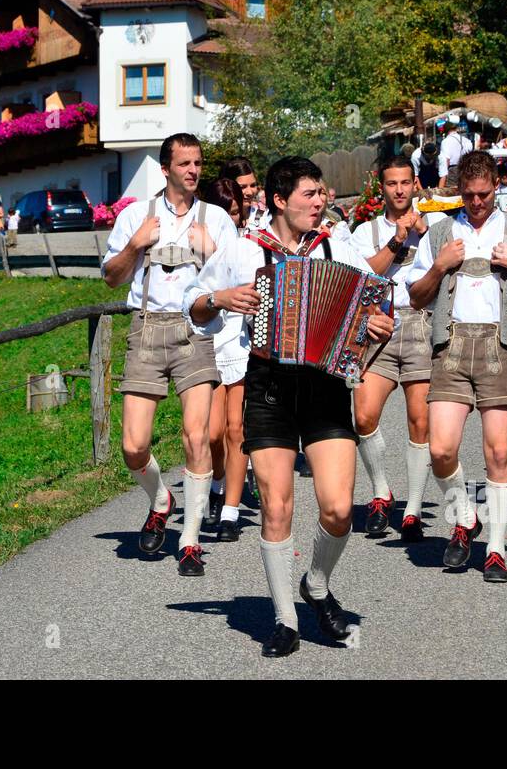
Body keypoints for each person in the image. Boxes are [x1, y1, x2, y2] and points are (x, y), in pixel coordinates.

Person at [185, 155, 394, 657]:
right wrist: (220, 298)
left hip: (325, 385)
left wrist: (378, 323)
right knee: (276, 506)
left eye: (322, 193)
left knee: (338, 508)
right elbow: (193, 305)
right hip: (269, 386)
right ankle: (285, 621)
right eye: (309, 194)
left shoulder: (337, 245)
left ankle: (316, 583)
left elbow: (379, 301)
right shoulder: (244, 249)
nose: (320, 202)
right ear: (279, 200)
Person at [405, 150, 507, 583]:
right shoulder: (440, 233)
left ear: (497, 187)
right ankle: (466, 517)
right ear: (459, 191)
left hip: (500, 346)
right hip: (450, 345)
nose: (476, 203)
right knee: (440, 449)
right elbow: (416, 297)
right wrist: (439, 266)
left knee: (500, 451)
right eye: (469, 195)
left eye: (484, 194)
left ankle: (495, 550)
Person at [102, 133, 234, 576]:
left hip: (195, 330)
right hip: (146, 329)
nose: (194, 170)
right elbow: (112, 278)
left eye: (198, 163)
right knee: (133, 445)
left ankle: (190, 540)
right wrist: (135, 244)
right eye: (184, 164)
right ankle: (160, 499)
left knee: (196, 437)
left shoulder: (215, 218)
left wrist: (211, 252)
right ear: (165, 169)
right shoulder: (135, 216)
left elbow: (235, 280)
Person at [350, 156, 448, 541]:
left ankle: (412, 510)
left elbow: (449, 268)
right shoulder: (366, 230)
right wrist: (397, 239)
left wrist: (422, 233)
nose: (400, 190)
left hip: (421, 322)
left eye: (405, 182)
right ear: (382, 187)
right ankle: (381, 493)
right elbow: (364, 274)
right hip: (378, 325)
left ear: (415, 184)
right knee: (364, 416)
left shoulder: (436, 226)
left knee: (420, 421)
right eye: (392, 184)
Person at [200, 178, 249, 542]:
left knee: (236, 428)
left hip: (240, 338)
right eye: (223, 212)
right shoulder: (195, 241)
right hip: (208, 338)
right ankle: (218, 482)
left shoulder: (248, 244)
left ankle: (231, 510)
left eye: (234, 212)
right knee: (213, 432)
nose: (230, 219)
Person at [219, 156, 263, 230]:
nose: (249, 192)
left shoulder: (264, 219)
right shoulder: (213, 218)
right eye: (242, 187)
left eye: (253, 185)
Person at [437, 116, 473, 188]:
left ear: (446, 131)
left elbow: (446, 160)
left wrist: (442, 178)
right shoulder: (467, 141)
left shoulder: (445, 141)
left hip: (452, 171)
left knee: (452, 192)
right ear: (455, 129)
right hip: (465, 170)